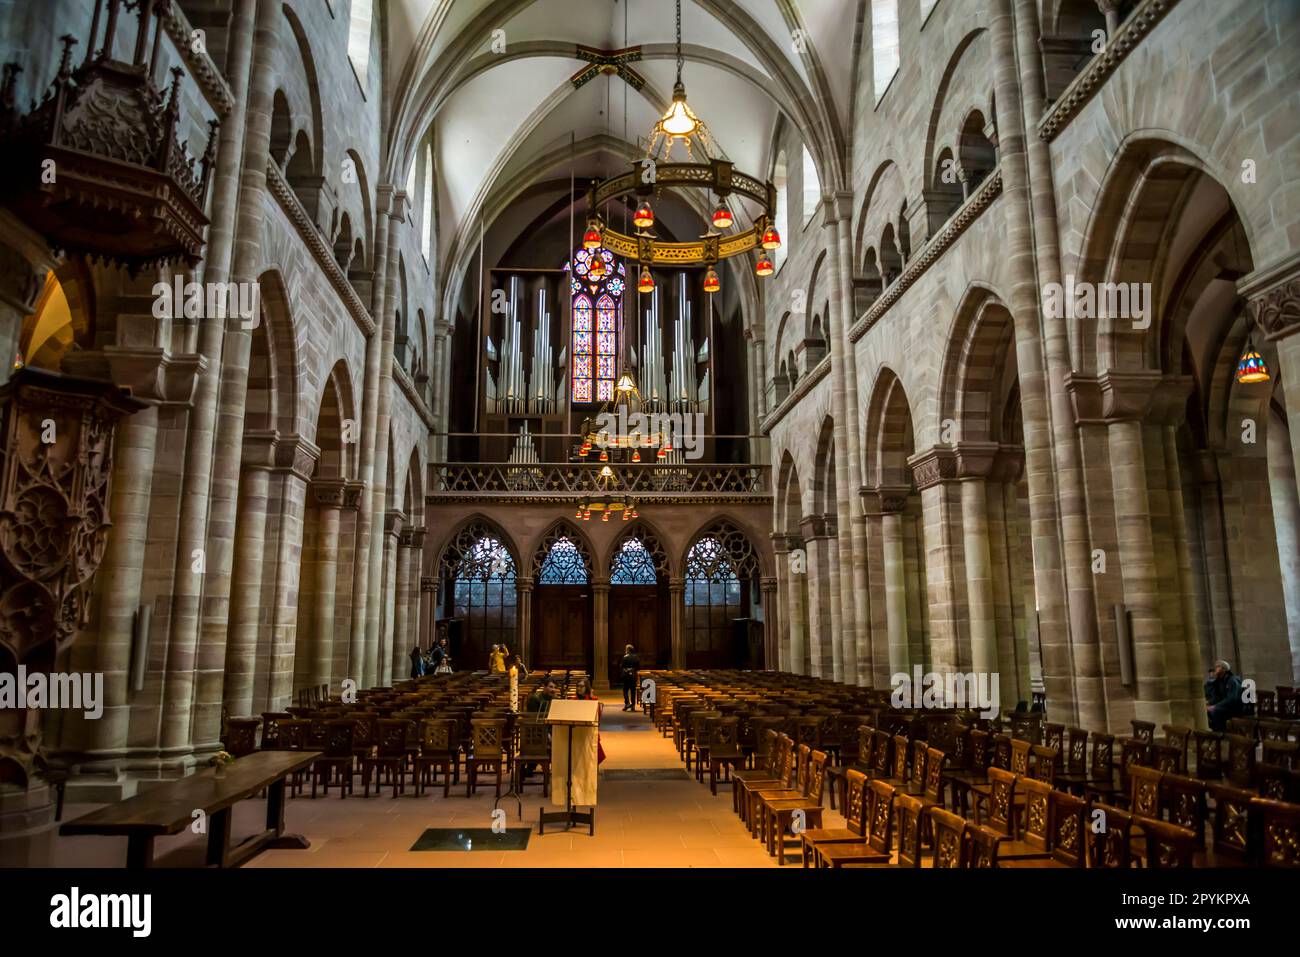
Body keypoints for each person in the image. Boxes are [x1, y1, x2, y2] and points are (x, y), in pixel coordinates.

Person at [1205, 659, 1244, 732]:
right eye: (1215, 667)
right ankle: (1215, 730)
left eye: (1218, 667)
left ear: (1224, 669)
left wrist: (1215, 706)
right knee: (1206, 710)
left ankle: (1221, 733)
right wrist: (1208, 703)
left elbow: (1231, 699)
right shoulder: (1219, 681)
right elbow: (1217, 697)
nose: (1215, 669)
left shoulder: (1232, 680)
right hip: (1225, 706)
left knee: (1214, 711)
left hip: (1234, 707)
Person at [573, 676, 606, 764]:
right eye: (577, 686)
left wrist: (591, 699)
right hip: (577, 731)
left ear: (586, 687)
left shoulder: (593, 700)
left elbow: (597, 717)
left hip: (589, 730)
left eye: (581, 686)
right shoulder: (573, 700)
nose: (578, 688)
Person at [619, 644, 640, 711]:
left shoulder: (625, 657)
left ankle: (627, 703)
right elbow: (638, 667)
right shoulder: (636, 657)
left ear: (628, 650)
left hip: (626, 676)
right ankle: (633, 706)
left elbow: (622, 666)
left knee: (625, 690)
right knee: (633, 691)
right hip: (633, 676)